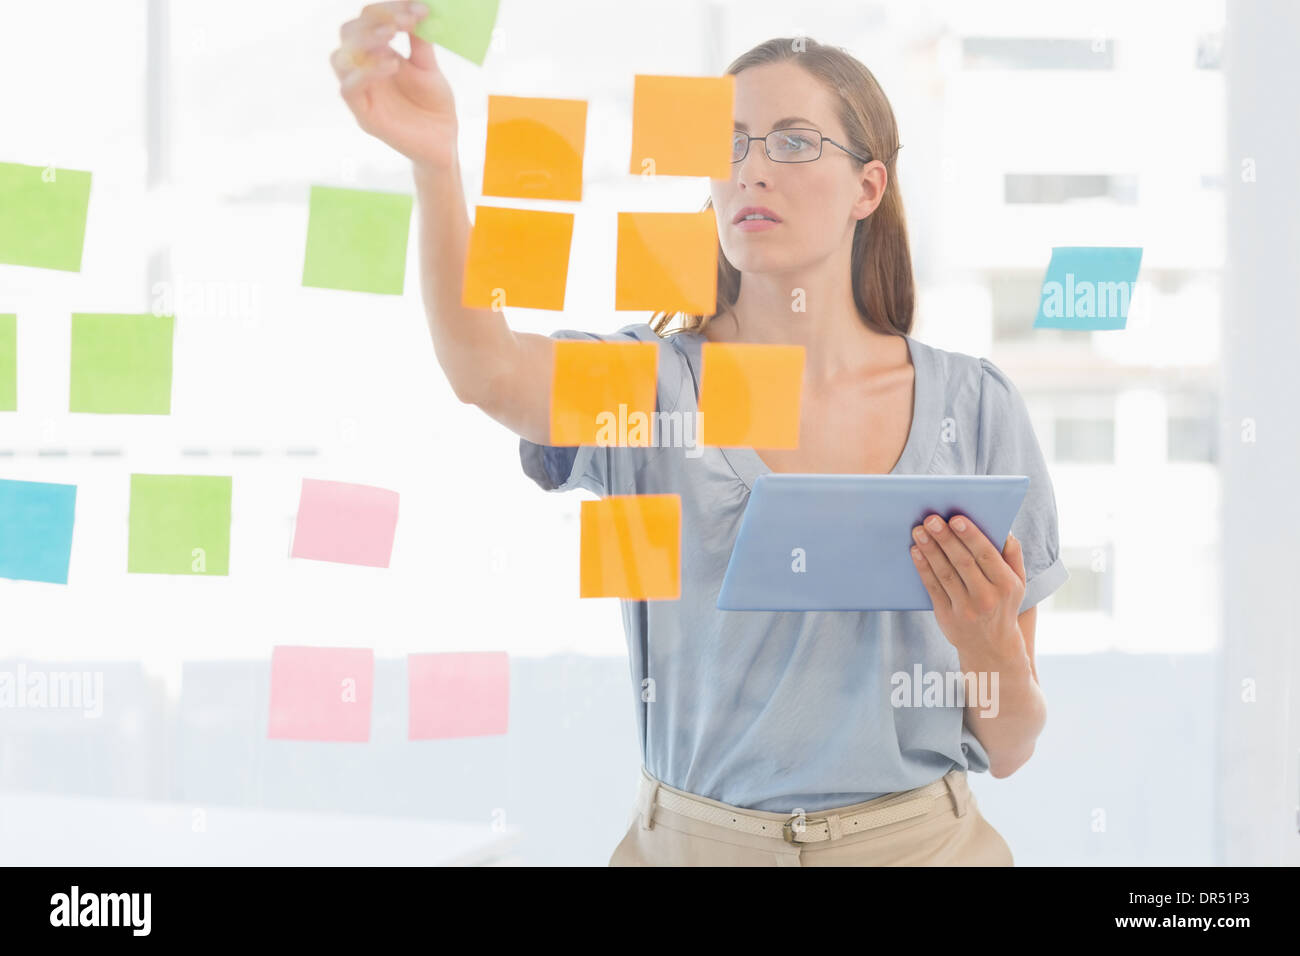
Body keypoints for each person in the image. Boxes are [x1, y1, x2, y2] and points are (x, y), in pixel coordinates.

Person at [331, 2, 1068, 866]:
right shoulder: (652, 387)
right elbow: (484, 369)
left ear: (868, 187)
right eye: (730, 145)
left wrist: (989, 648)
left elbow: (1010, 747)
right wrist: (435, 163)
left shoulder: (975, 408)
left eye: (794, 141)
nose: (752, 170)